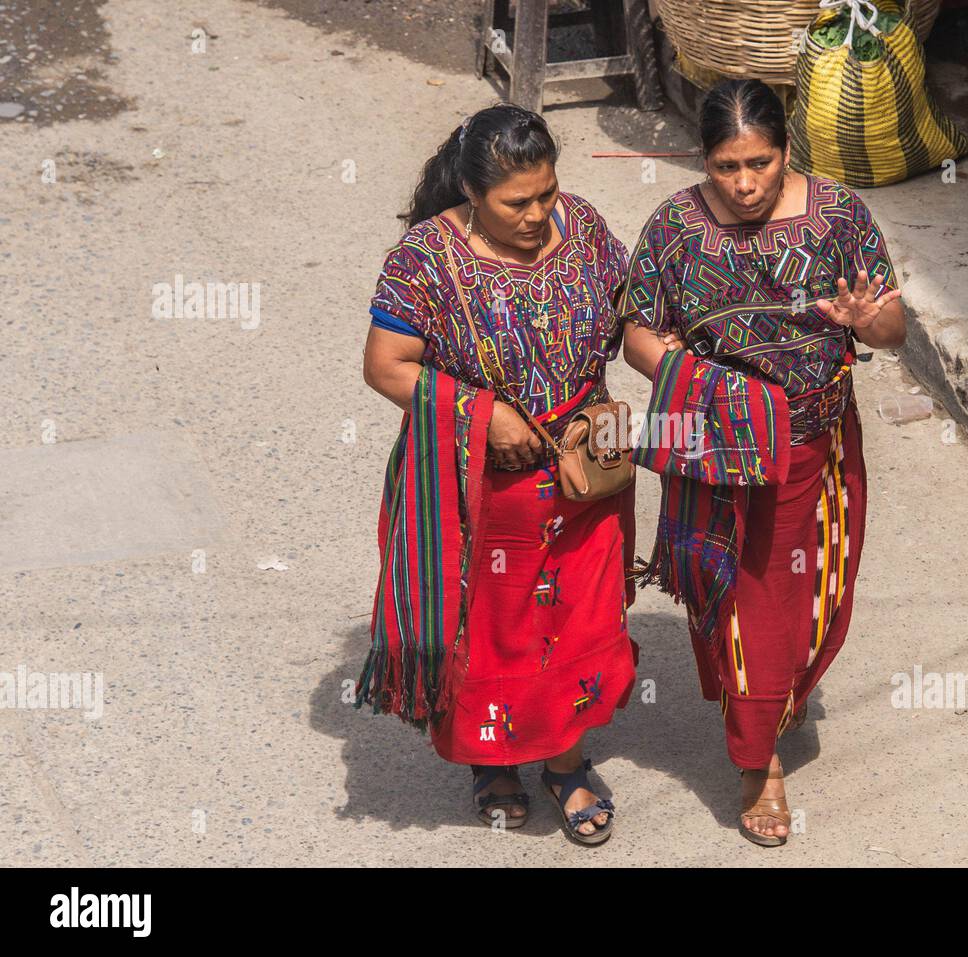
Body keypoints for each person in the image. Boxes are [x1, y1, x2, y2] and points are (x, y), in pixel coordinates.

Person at [620, 79, 905, 847]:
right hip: (722, 459)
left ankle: (775, 693)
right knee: (750, 600)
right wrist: (704, 383)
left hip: (821, 442)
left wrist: (867, 318)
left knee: (818, 592)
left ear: (787, 151)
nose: (744, 183)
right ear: (702, 160)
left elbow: (894, 328)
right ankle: (757, 763)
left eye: (760, 162)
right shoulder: (675, 228)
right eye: (725, 166)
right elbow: (638, 334)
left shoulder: (839, 217)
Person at [354, 103, 637, 846]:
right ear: (473, 194)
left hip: (582, 482)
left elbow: (628, 315)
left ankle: (568, 763)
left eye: (547, 192)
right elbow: (385, 366)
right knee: (496, 632)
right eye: (518, 202)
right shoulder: (424, 258)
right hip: (481, 496)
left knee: (579, 619)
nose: (539, 213)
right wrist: (486, 414)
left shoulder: (582, 227)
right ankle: (494, 761)